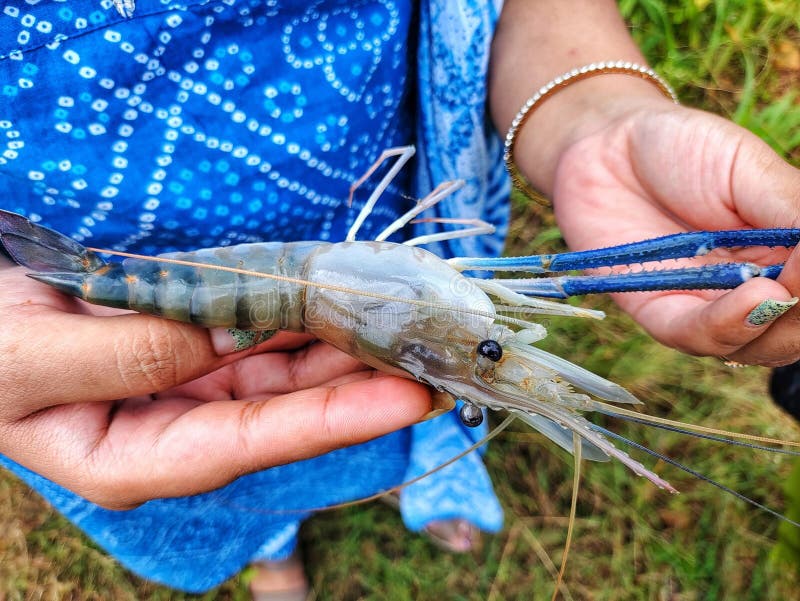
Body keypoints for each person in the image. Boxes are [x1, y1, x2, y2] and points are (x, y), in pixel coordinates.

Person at [2, 0, 799, 598]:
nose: (495, 348)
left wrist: (600, 123)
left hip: (343, 226)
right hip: (78, 318)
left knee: (357, 408)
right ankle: (273, 542)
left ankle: (396, 472)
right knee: (219, 451)